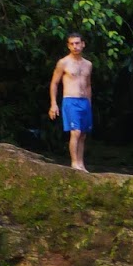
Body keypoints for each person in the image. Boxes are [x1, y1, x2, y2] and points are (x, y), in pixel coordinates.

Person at [49, 32, 94, 172]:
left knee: (83, 134)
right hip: (70, 100)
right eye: (72, 44)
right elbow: (54, 83)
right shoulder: (63, 62)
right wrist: (53, 104)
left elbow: (88, 85)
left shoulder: (88, 64)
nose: (75, 46)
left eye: (77, 43)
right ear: (68, 46)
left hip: (84, 101)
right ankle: (74, 163)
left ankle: (81, 164)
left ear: (83, 44)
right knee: (75, 132)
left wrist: (89, 104)